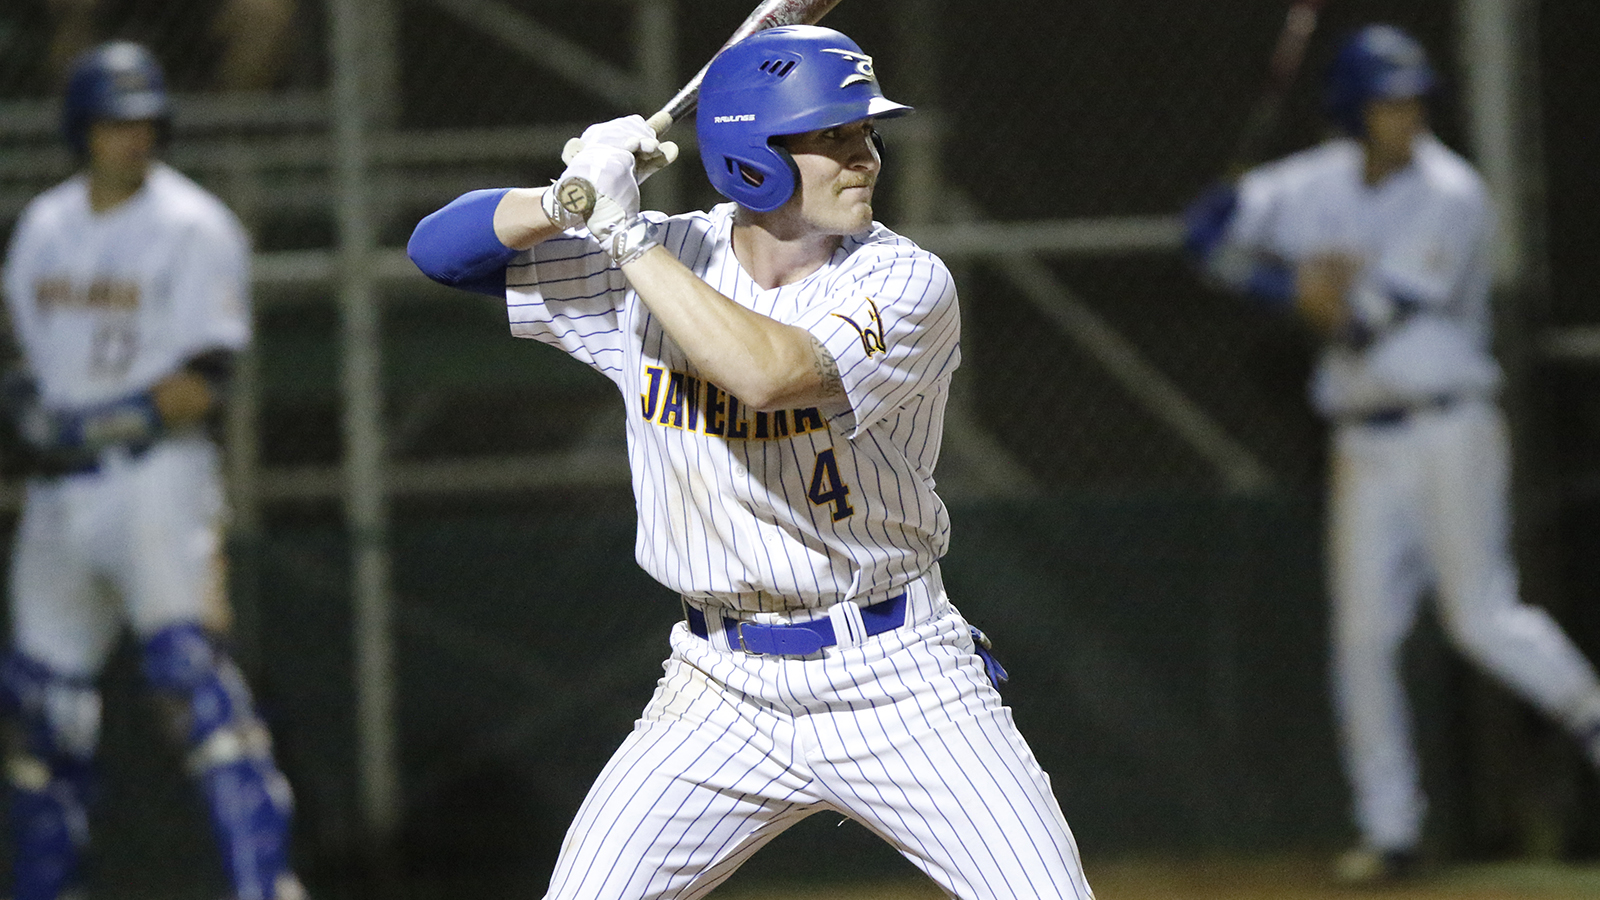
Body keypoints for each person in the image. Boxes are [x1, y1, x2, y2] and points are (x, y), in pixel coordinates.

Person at [409, 24, 1096, 900]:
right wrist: (569, 199)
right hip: (718, 688)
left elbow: (771, 375)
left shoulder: (904, 280)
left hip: (899, 675)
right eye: (832, 137)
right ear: (749, 158)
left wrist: (623, 238)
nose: (867, 157)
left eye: (865, 133)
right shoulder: (664, 251)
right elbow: (438, 250)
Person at [1182, 23, 1600, 885]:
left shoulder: (1453, 193)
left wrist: (1275, 279)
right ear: (1351, 110)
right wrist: (1224, 224)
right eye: (1386, 105)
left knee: (1480, 617)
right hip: (1363, 445)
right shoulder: (1317, 184)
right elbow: (1203, 231)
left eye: (1413, 103)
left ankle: (1592, 715)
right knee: (1364, 638)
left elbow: (1359, 319)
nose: (1403, 119)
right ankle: (1391, 830)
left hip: (1451, 429)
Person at [0, 41, 304, 900]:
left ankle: (265, 886)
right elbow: (17, 336)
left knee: (190, 687)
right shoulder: (46, 223)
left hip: (153, 482)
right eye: (114, 125)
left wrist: (102, 418)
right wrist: (24, 401)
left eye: (144, 124)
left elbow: (206, 378)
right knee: (38, 712)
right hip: (58, 496)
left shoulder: (193, 223)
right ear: (81, 131)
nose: (132, 139)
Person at [44, 0, 299, 92]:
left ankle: (229, 133)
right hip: (116, 11)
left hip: (201, 12)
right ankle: (82, 140)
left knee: (260, 11)